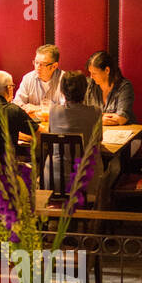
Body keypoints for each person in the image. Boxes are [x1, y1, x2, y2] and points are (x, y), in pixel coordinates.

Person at [47, 70, 103, 198]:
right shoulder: (95, 112)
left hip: (55, 180)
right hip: (87, 183)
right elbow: (99, 140)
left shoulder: (53, 111)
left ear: (62, 91)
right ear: (85, 90)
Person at [87, 50, 135, 124]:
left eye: (94, 73)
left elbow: (122, 118)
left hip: (121, 132)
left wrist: (95, 118)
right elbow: (80, 114)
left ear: (107, 70)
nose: (91, 76)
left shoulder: (124, 87)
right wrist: (100, 118)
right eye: (90, 73)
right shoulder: (89, 85)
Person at [15, 45, 64, 111]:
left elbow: (66, 109)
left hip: (56, 121)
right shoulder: (28, 78)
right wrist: (23, 106)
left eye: (43, 64)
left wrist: (39, 108)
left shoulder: (65, 80)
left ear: (54, 66)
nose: (38, 67)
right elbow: (17, 102)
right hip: (32, 120)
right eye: (36, 62)